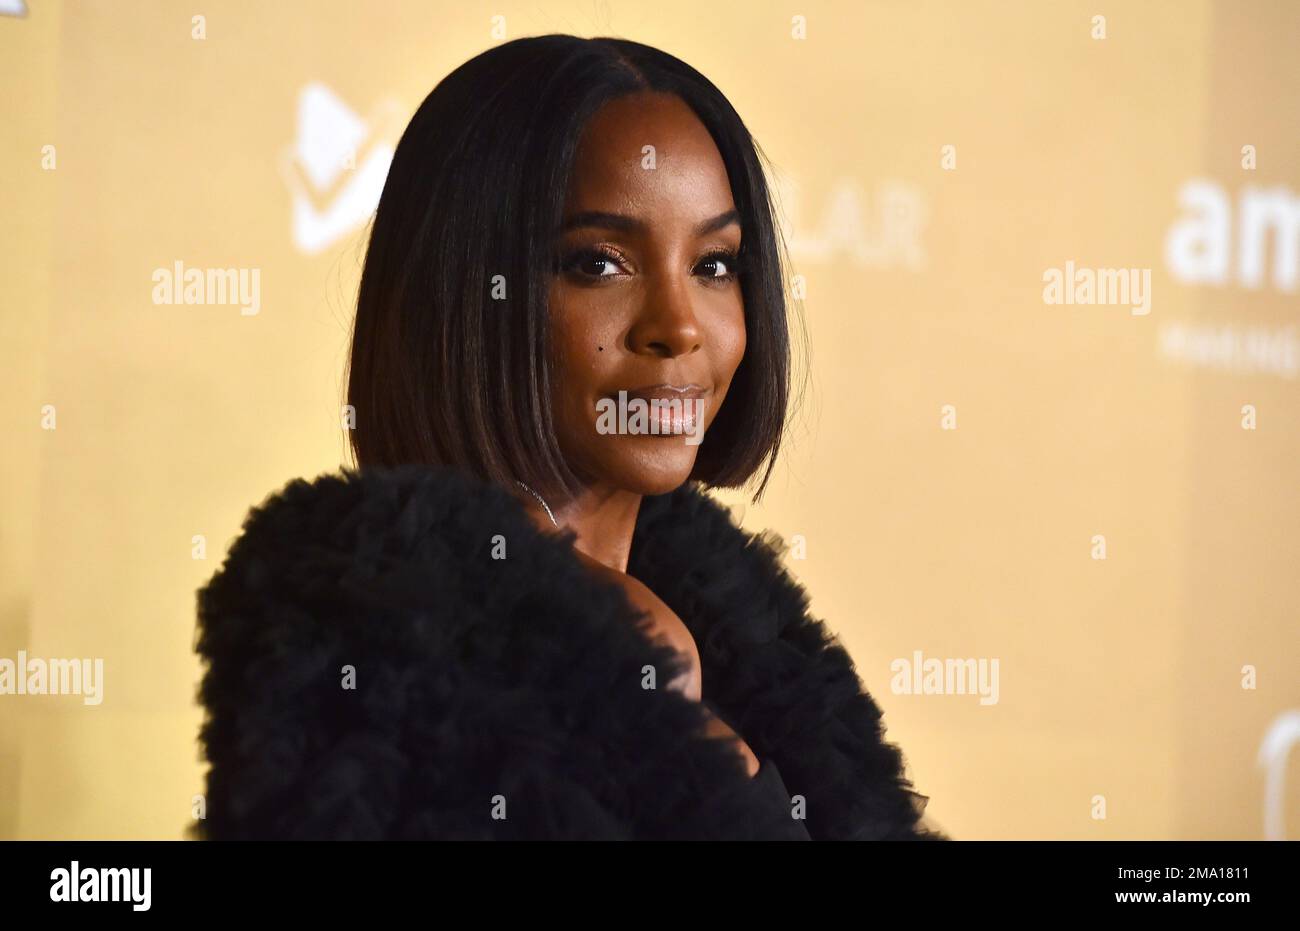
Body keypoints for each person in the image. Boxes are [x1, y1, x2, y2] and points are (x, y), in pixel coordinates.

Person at [191, 34, 943, 840]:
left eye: (715, 264)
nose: (679, 326)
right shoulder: (388, 661)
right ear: (466, 296)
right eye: (599, 263)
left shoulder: (742, 647)